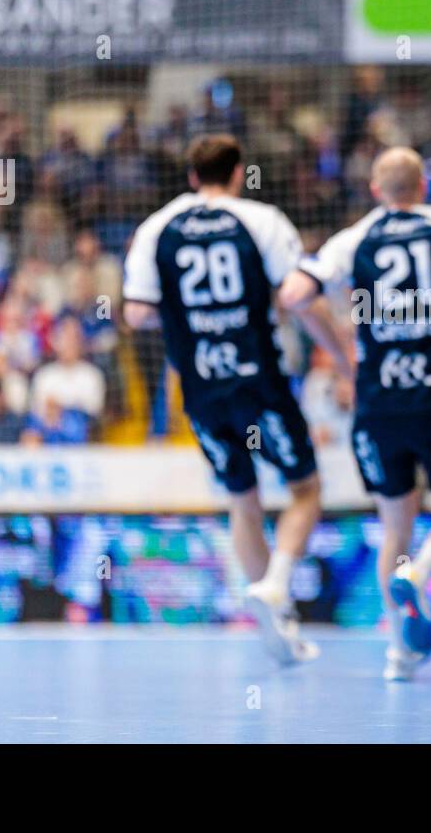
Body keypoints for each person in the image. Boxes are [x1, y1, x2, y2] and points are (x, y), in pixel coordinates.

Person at [280, 147, 431, 681]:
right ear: (425, 186)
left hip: (377, 404)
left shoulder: (353, 238)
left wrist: (342, 349)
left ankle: (399, 654)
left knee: (395, 525)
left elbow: (296, 294)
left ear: (374, 189)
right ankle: (422, 573)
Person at [123, 134, 345, 665]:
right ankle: (276, 586)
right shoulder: (261, 220)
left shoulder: (157, 228)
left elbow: (134, 314)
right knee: (305, 491)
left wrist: (184, 315)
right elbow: (299, 297)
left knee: (241, 499)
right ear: (240, 172)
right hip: (259, 380)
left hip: (199, 389)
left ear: (192, 177)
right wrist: (342, 352)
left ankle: (277, 620)